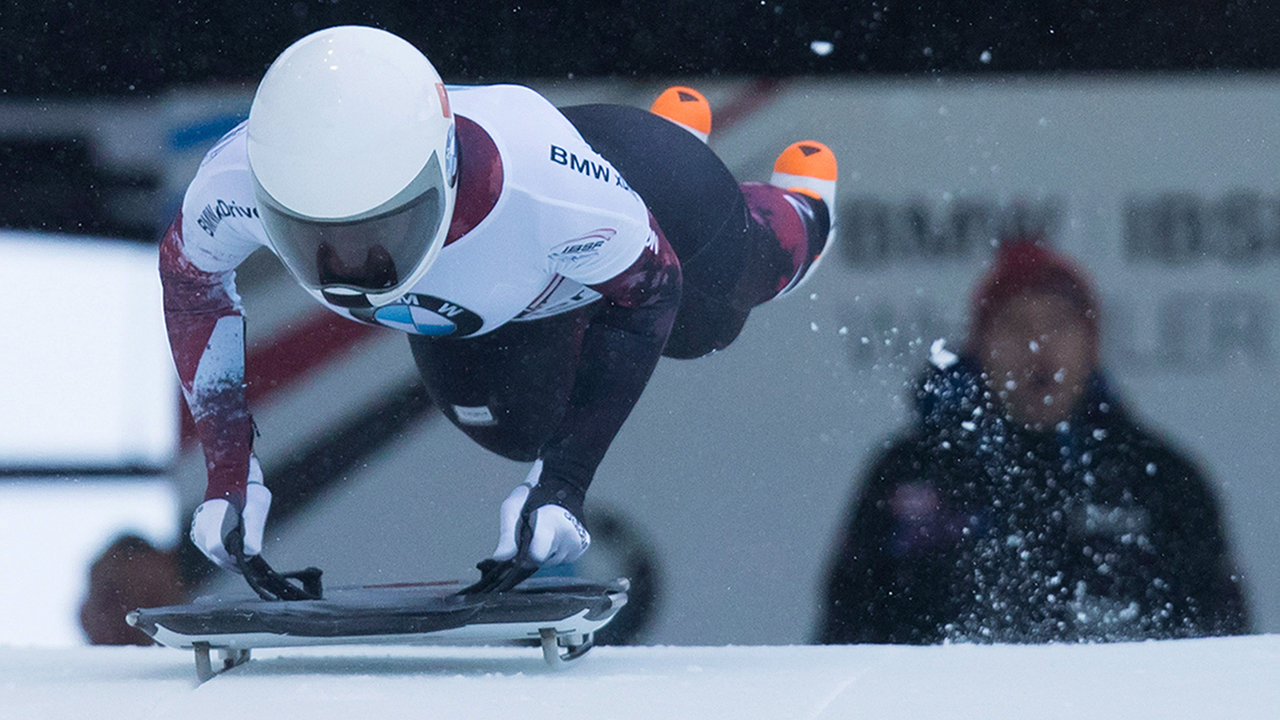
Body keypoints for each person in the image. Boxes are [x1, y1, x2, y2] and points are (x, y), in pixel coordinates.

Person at [161, 25, 838, 593]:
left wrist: (566, 484)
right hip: (513, 285)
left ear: (443, 176)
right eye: (312, 238)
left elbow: (650, 296)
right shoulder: (235, 181)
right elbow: (191, 282)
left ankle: (790, 202)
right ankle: (660, 169)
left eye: (378, 235)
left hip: (637, 193)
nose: (349, 270)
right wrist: (228, 473)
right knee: (513, 432)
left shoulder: (549, 194)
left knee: (707, 326)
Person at [817, 237, 1250, 644]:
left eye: (1059, 325)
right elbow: (846, 638)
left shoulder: (1160, 478)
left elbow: (1217, 644)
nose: (1037, 345)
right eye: (1014, 324)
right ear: (980, 346)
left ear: (1091, 345)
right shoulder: (910, 472)